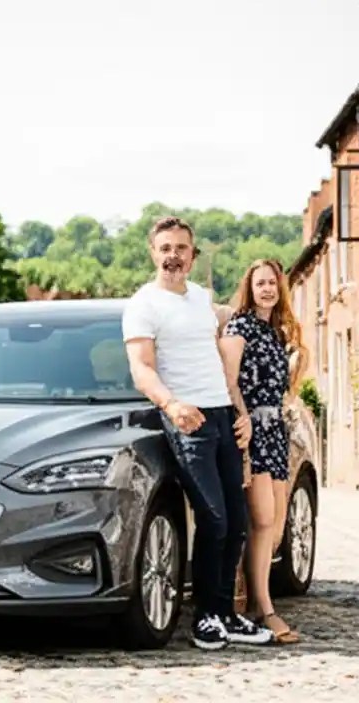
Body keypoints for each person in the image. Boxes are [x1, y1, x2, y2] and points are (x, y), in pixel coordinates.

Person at [122, 216, 274, 651]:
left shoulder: (200, 299)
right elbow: (142, 369)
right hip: (188, 420)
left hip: (223, 416)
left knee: (237, 521)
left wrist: (240, 413)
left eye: (181, 248)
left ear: (192, 255)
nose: (173, 256)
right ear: (153, 253)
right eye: (165, 248)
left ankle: (225, 613)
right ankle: (205, 616)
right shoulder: (143, 304)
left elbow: (220, 362)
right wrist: (171, 405)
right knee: (213, 518)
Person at [217, 259, 305, 645]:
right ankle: (264, 608)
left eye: (272, 283)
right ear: (249, 289)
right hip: (250, 431)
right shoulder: (240, 327)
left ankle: (256, 600)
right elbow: (227, 380)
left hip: (275, 431)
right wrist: (243, 417)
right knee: (262, 518)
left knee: (276, 524)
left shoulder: (275, 332)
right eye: (260, 284)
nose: (266, 289)